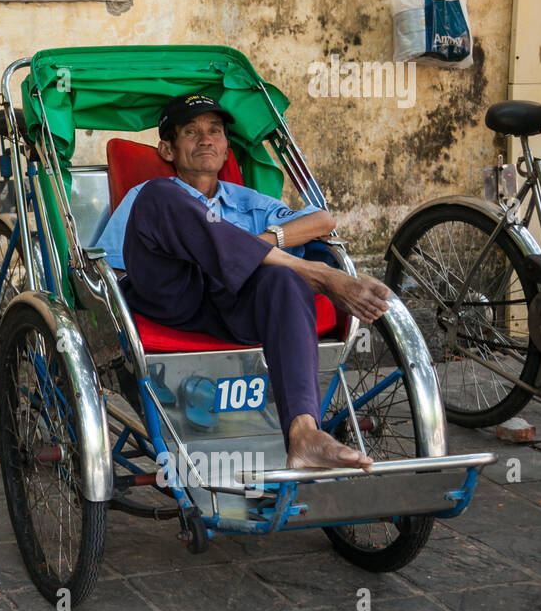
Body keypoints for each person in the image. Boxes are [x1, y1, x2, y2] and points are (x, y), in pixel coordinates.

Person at [93, 94, 392, 470]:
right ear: (167, 149)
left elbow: (322, 220)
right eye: (191, 131)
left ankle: (303, 433)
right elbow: (110, 268)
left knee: (284, 281)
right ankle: (326, 278)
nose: (206, 139)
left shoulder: (246, 200)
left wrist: (260, 243)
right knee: (161, 194)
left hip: (229, 304)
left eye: (215, 132)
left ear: (225, 148)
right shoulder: (148, 195)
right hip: (168, 295)